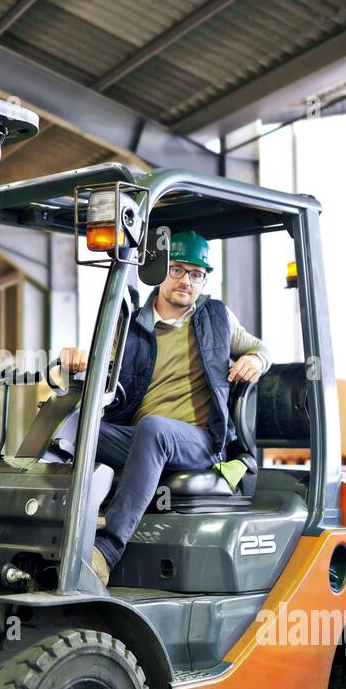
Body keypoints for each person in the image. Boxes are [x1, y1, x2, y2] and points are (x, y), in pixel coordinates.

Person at [59, 230, 270, 585]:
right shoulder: (132, 325)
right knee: (70, 422)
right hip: (141, 438)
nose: (186, 281)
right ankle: (53, 525)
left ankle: (107, 549)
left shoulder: (217, 318)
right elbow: (102, 370)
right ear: (159, 271)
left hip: (199, 441)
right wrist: (72, 362)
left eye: (196, 274)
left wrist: (256, 361)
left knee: (155, 428)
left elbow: (259, 348)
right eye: (177, 270)